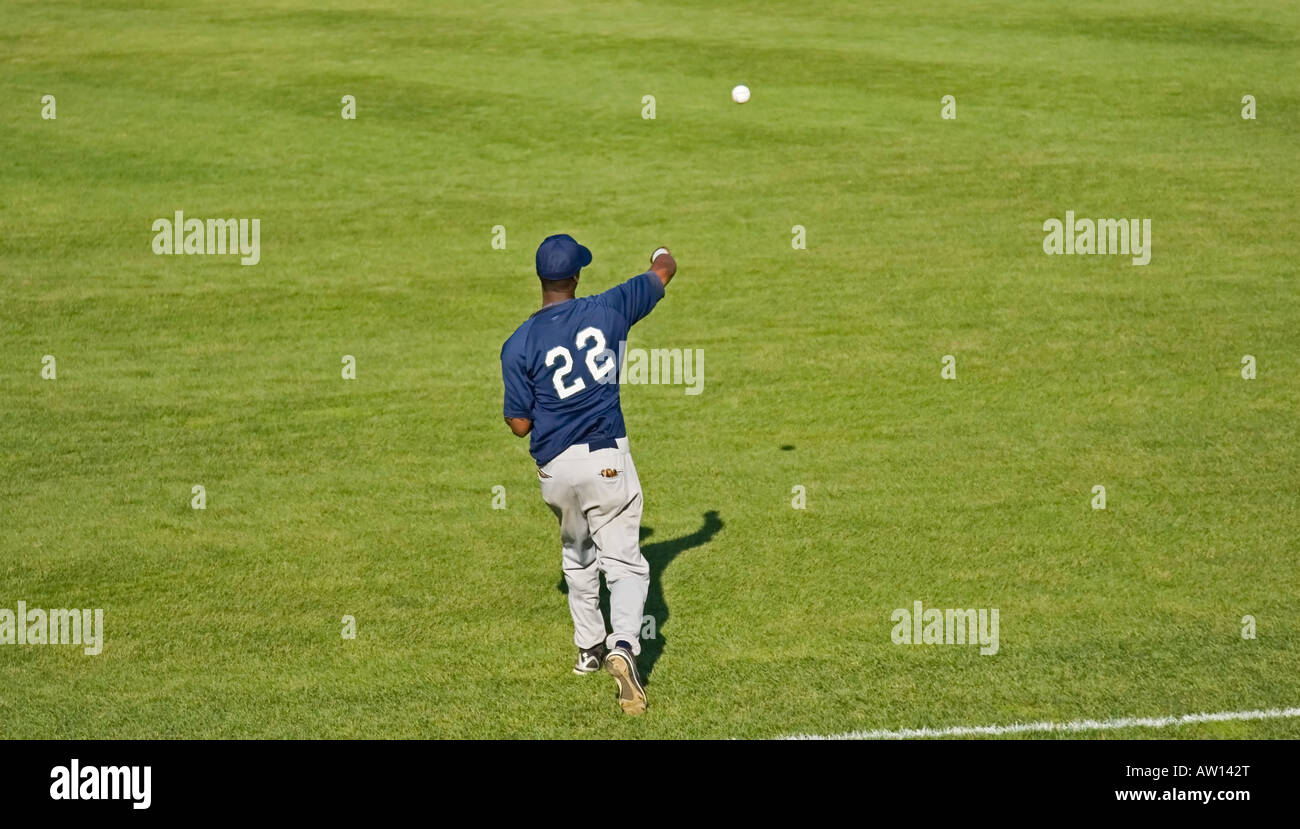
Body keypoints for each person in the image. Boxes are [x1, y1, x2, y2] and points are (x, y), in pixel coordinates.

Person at [499, 234, 678, 715]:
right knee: (624, 562)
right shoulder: (609, 307)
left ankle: (589, 651)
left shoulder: (517, 343)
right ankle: (623, 646)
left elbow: (519, 426)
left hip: (556, 470)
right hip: (605, 458)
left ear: (541, 280)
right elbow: (663, 271)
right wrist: (660, 252)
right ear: (576, 277)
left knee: (578, 555)